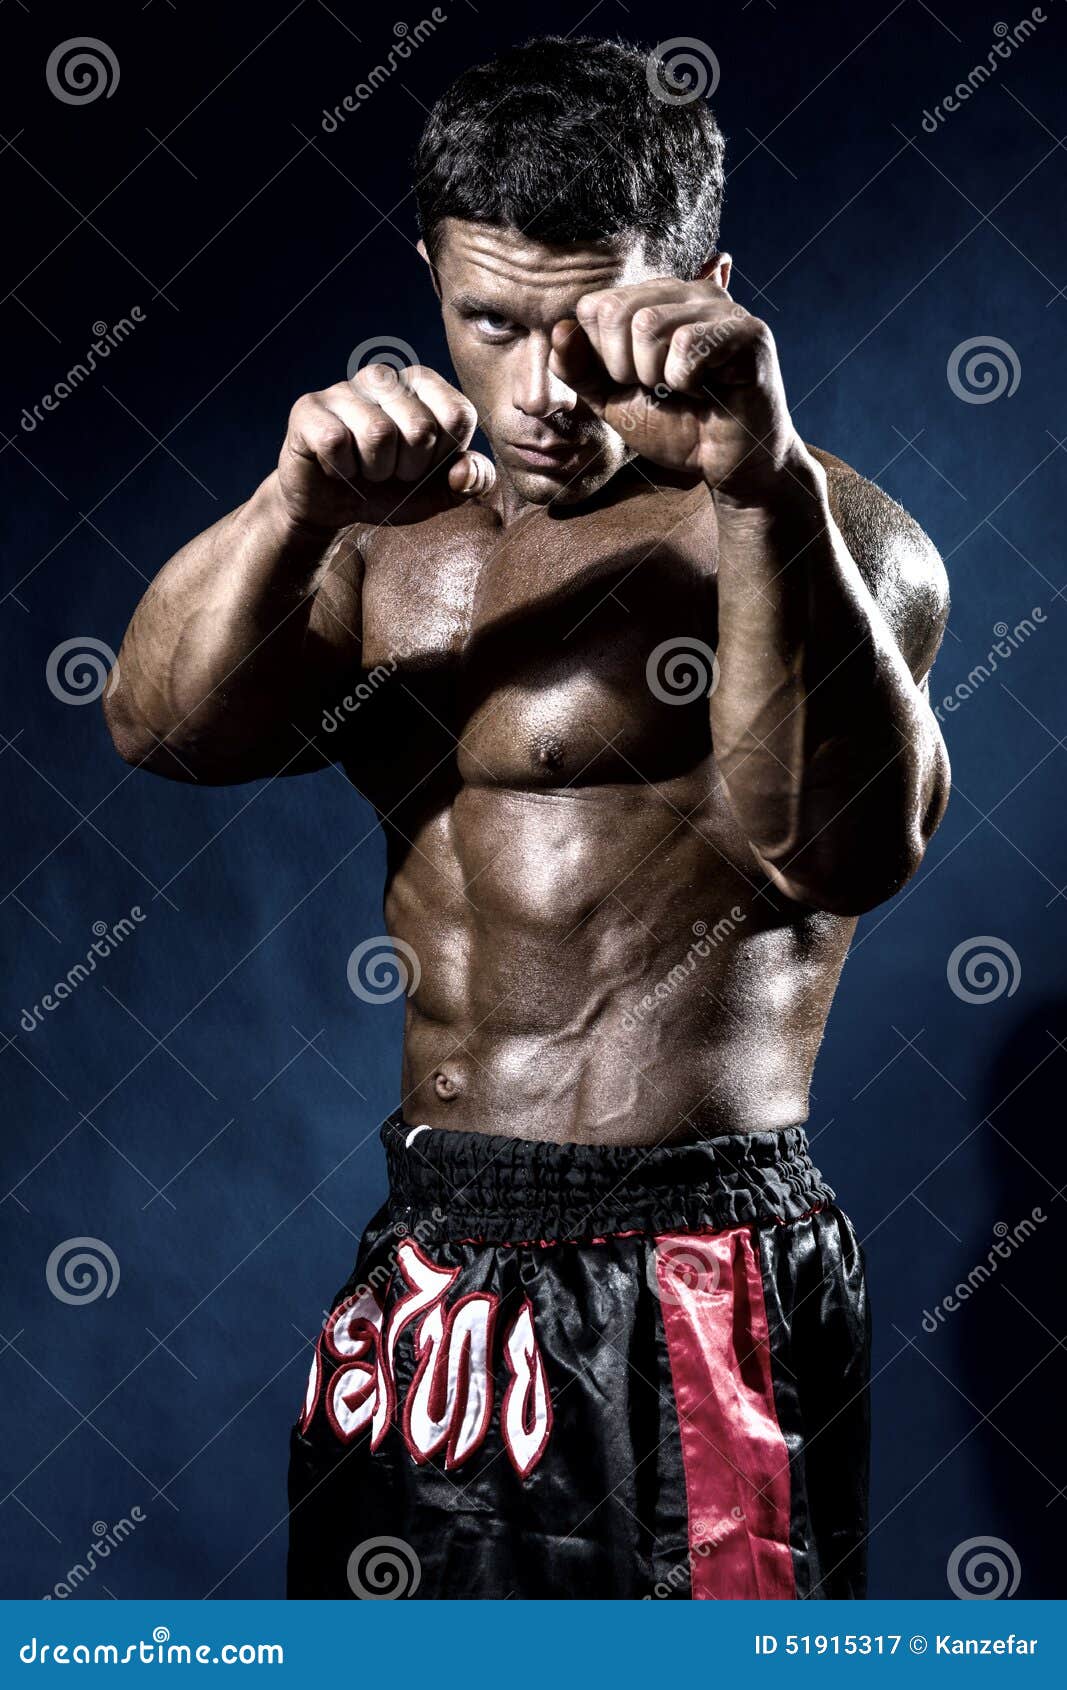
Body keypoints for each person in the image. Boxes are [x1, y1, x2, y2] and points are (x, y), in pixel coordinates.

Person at [102, 36, 950, 1599]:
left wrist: (761, 486)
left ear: (707, 286)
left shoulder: (820, 533)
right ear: (430, 275)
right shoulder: (391, 538)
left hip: (698, 1260)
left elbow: (830, 848)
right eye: (491, 322)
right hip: (436, 1253)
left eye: (591, 330)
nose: (541, 390)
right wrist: (294, 498)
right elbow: (160, 726)